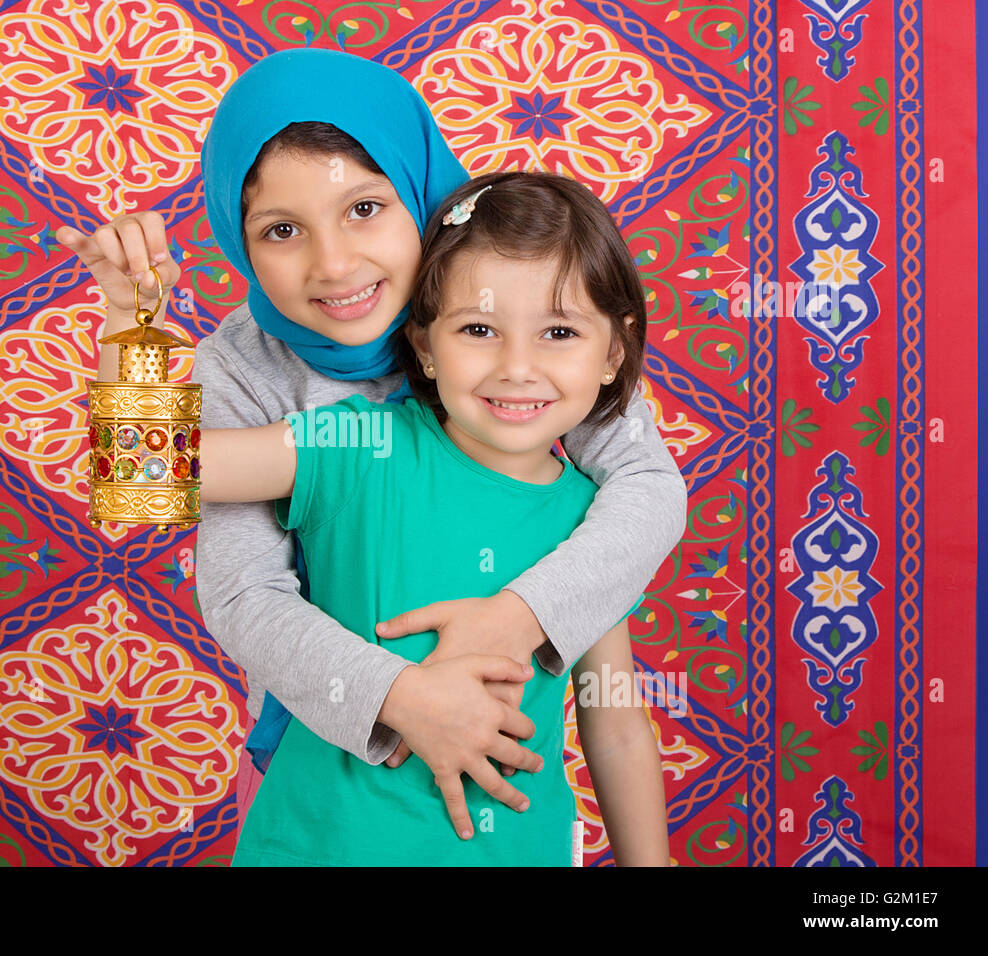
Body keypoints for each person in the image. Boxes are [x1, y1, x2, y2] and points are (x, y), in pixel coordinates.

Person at [56, 49, 686, 836]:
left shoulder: (520, 325)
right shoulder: (266, 387)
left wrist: (519, 616)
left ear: (418, 193)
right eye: (282, 230)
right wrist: (130, 318)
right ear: (237, 240)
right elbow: (166, 504)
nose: (335, 263)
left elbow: (649, 492)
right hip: (324, 773)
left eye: (364, 209)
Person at [198, 170, 670, 865]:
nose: (517, 367)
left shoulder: (594, 522)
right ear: (422, 344)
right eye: (479, 329)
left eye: (559, 332)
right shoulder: (356, 444)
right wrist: (127, 319)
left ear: (614, 352)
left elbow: (617, 724)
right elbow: (141, 472)